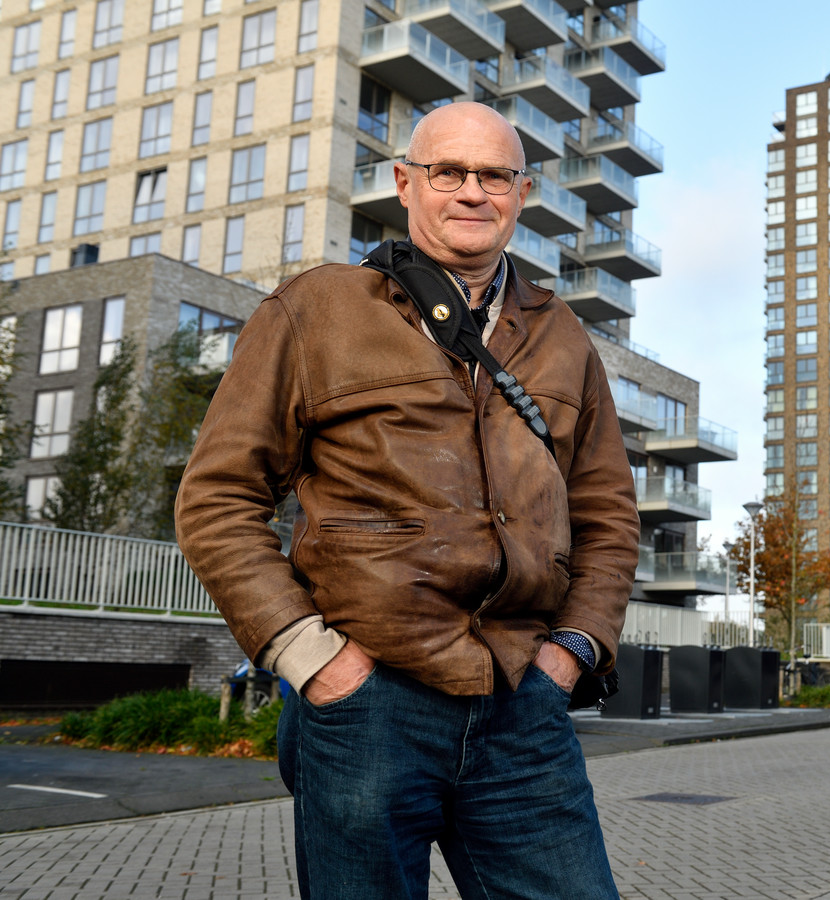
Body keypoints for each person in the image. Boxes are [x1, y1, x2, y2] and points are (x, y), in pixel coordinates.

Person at [175, 102, 639, 900]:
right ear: (405, 183)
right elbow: (217, 496)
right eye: (448, 171)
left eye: (494, 175)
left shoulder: (563, 336)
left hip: (523, 707)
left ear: (522, 193)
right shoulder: (316, 310)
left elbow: (608, 515)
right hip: (367, 705)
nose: (472, 191)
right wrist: (313, 659)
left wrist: (572, 652)